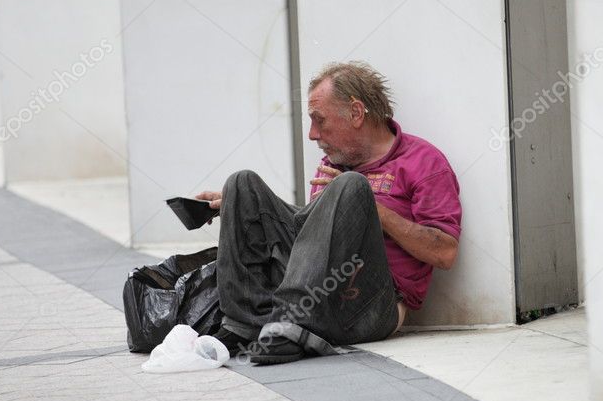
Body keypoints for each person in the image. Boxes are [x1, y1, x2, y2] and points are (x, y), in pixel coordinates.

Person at [195, 61, 462, 365]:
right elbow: (311, 241)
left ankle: (291, 321)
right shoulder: (336, 162)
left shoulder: (423, 162)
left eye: (319, 120)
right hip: (319, 294)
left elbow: (445, 253)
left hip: (370, 306)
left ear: (356, 113)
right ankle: (244, 324)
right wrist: (245, 208)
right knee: (241, 184)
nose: (312, 134)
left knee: (351, 186)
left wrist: (373, 209)